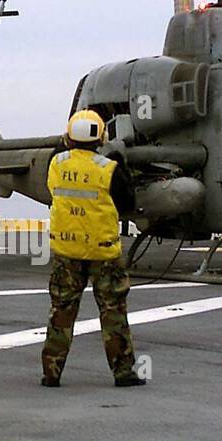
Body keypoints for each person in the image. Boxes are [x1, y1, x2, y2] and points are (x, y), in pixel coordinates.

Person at [40, 109, 145, 388]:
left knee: (61, 312)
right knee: (113, 312)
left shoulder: (56, 164)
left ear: (69, 137)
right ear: (101, 137)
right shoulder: (109, 169)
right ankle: (123, 372)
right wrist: (119, 162)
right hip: (103, 254)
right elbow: (128, 204)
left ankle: (51, 373)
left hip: (67, 252)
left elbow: (50, 186)